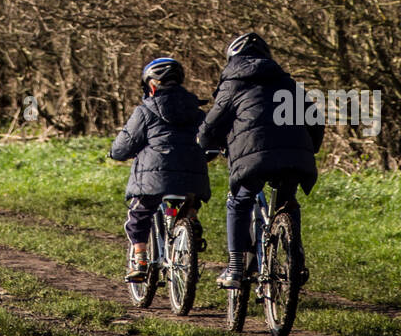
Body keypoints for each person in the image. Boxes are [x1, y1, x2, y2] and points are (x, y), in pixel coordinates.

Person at [198, 32, 323, 288]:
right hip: (295, 154)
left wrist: (203, 144)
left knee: (239, 201)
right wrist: (311, 149)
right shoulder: (288, 83)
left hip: (252, 157)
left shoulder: (233, 84)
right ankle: (295, 258)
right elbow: (315, 120)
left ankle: (235, 267)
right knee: (287, 201)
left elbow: (212, 125)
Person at [109, 55, 211, 281]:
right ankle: (191, 221)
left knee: (139, 214)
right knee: (189, 201)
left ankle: (140, 258)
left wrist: (115, 153)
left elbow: (124, 145)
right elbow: (208, 140)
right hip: (192, 175)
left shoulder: (145, 110)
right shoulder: (197, 110)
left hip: (154, 177)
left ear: (151, 84)